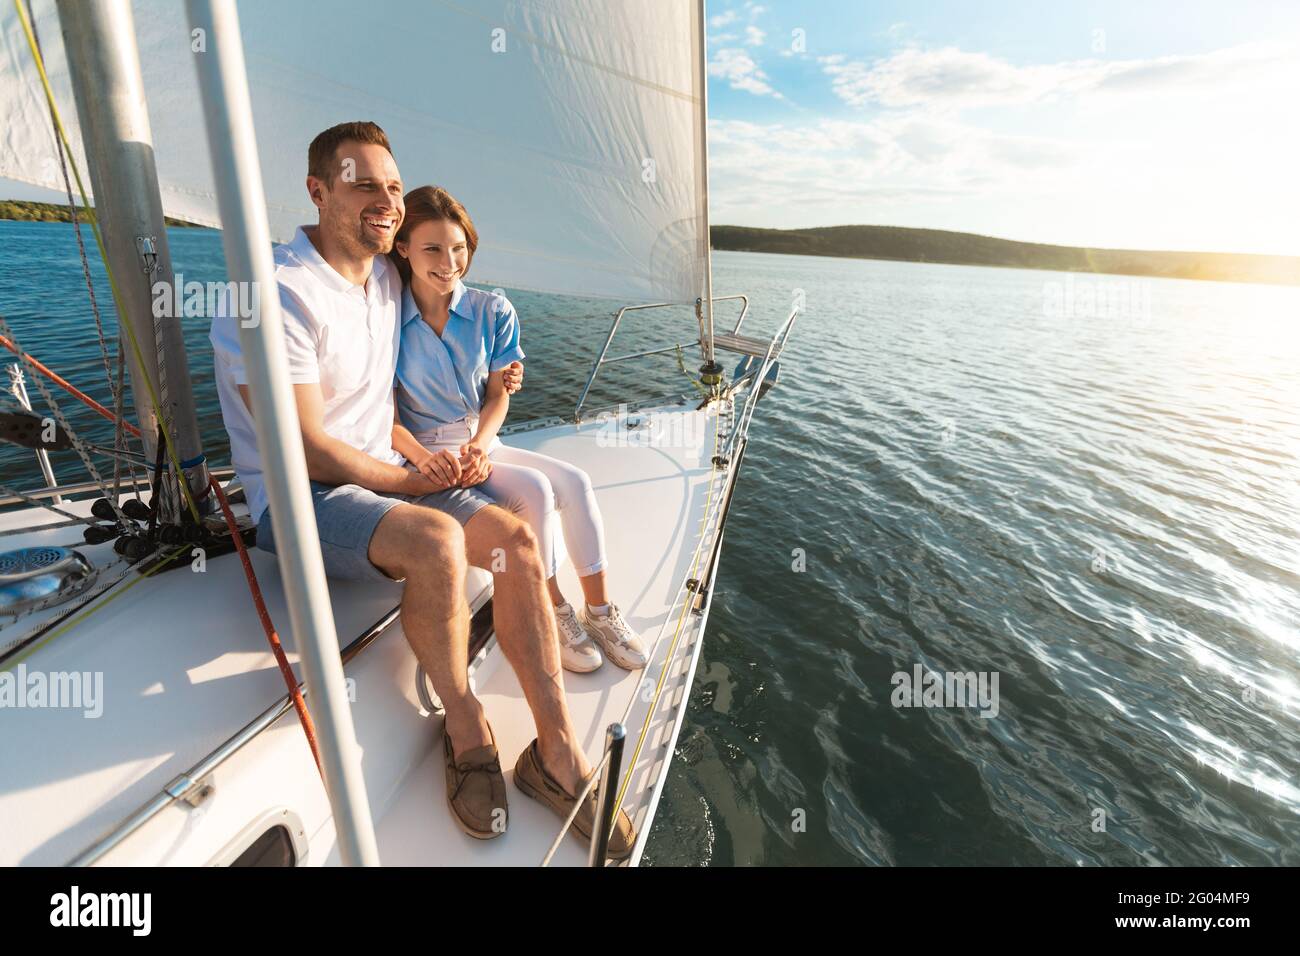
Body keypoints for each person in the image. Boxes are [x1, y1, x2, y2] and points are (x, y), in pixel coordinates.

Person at [209, 122, 633, 857]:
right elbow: (304, 446)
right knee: (438, 539)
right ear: (317, 190)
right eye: (363, 183)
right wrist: (410, 478)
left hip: (389, 477)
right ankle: (466, 731)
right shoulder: (274, 292)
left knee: (516, 537)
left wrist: (474, 410)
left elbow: (449, 294)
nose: (386, 201)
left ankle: (555, 755)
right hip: (303, 497)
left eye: (394, 186)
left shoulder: (384, 277)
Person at [387, 186, 649, 678]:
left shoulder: (493, 311)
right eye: (433, 249)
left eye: (459, 248)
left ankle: (600, 612)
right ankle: (553, 607)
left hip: (481, 439)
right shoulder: (385, 321)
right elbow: (386, 415)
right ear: (403, 248)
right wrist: (425, 458)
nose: (450, 262)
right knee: (534, 489)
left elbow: (498, 394)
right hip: (421, 455)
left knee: (575, 481)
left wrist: (480, 448)